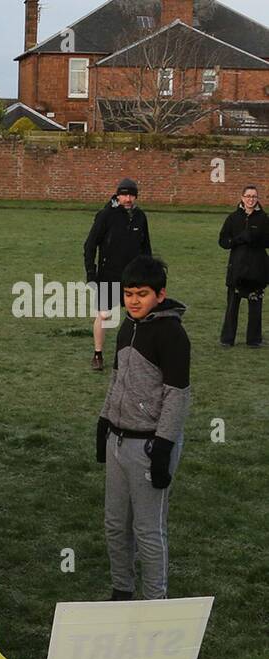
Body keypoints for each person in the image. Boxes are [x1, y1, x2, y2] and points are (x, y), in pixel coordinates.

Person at [96, 256, 191, 601]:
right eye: (128, 293)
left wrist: (163, 446)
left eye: (142, 294)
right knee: (115, 525)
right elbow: (118, 379)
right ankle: (122, 590)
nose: (133, 301)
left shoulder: (172, 335)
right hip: (118, 441)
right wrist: (105, 420)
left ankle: (155, 602)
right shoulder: (127, 327)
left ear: (160, 294)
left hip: (149, 446)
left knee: (148, 530)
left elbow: (177, 396)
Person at [85, 178, 152, 370]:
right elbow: (89, 245)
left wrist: (147, 273)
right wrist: (91, 273)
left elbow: (146, 247)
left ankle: (132, 356)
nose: (128, 199)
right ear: (118, 195)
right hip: (108, 275)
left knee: (136, 316)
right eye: (124, 195)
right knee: (104, 315)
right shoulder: (106, 215)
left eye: (131, 195)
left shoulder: (140, 217)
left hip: (133, 277)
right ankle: (97, 355)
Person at [218, 184, 267, 348]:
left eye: (254, 196)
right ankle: (227, 339)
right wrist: (238, 239)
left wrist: (255, 238)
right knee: (232, 306)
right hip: (237, 269)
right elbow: (223, 241)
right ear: (242, 198)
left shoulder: (263, 219)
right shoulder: (233, 218)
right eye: (248, 196)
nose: (251, 199)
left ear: (257, 199)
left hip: (257, 269)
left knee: (255, 308)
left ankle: (254, 340)